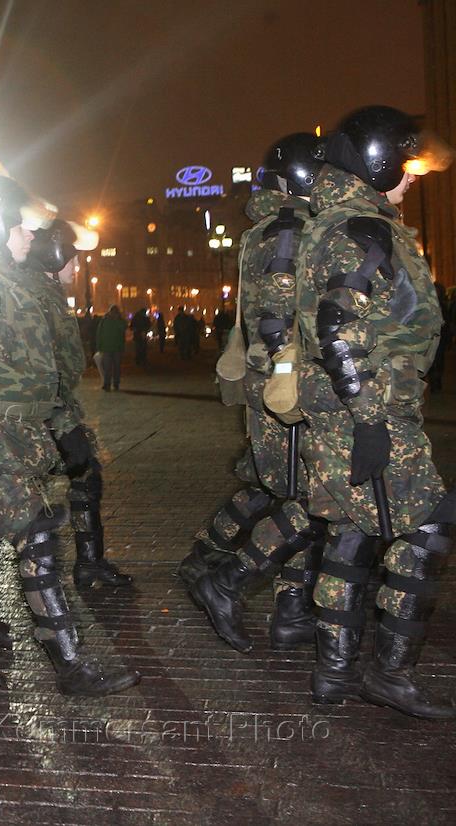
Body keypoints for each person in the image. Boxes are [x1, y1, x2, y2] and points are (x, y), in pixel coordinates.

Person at [0, 175, 139, 695]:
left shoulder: (6, 279)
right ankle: (69, 663)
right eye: (18, 223)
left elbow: (36, 369)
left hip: (18, 435)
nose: (27, 233)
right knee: (36, 540)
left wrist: (64, 428)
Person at [297, 105, 455, 719]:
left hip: (353, 410)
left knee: (352, 531)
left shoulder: (346, 223)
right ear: (378, 160)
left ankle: (333, 671)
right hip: (372, 412)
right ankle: (388, 673)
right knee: (430, 527)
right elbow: (337, 329)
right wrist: (369, 420)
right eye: (406, 164)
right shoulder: (363, 230)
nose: (413, 177)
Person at [184, 133, 328, 653]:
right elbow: (277, 319)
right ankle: (226, 581)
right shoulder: (289, 230)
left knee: (289, 492)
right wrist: (292, 376)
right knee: (310, 499)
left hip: (275, 380)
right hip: (285, 384)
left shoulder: (273, 227)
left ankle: (288, 609)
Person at [30, 219, 131, 586]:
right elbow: (40, 365)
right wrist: (58, 420)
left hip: (56, 406)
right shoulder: (38, 296)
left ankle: (89, 563)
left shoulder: (48, 294)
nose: (76, 268)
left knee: (87, 478)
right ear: (56, 258)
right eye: (72, 261)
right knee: (22, 501)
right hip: (41, 411)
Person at [95, 305, 125, 390]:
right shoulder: (105, 321)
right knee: (109, 367)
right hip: (110, 348)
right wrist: (99, 346)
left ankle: (113, 384)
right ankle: (108, 383)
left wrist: (99, 346)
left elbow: (99, 334)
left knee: (114, 367)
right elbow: (99, 334)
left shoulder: (116, 321)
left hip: (113, 348)